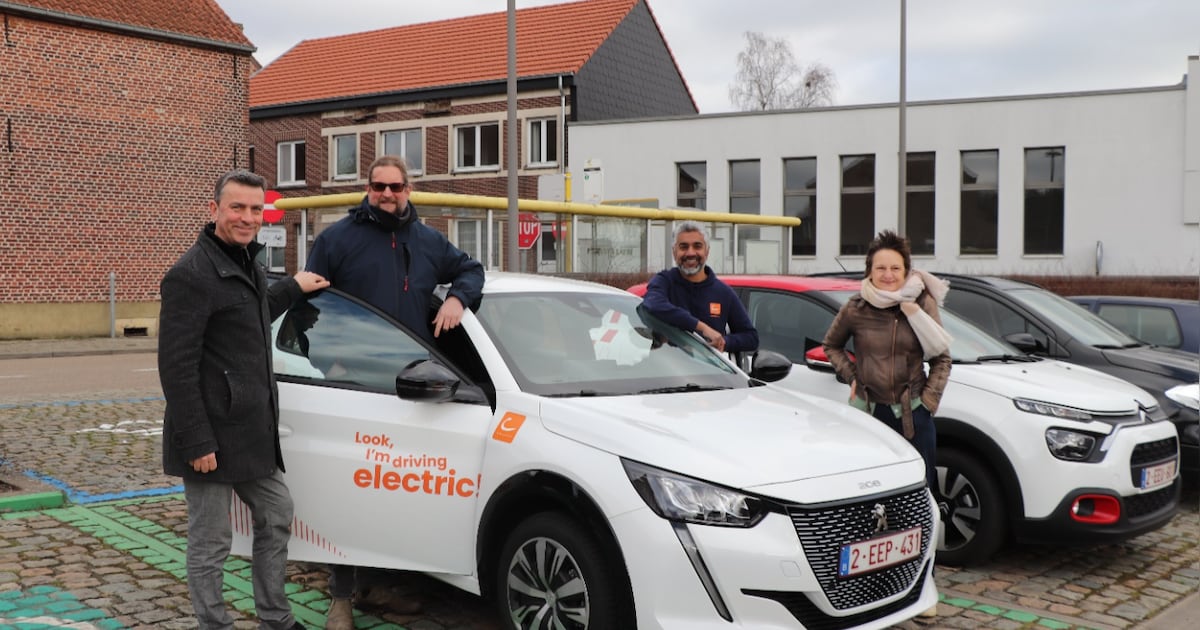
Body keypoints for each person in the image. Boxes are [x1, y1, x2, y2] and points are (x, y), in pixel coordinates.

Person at [305, 155, 484, 629]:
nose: (387, 194)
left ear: (409, 190)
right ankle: (341, 597)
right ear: (367, 188)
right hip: (353, 386)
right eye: (379, 186)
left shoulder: (426, 240)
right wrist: (330, 365)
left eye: (396, 187)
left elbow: (471, 269)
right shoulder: (336, 239)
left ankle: (380, 586)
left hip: (412, 387)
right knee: (348, 493)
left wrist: (456, 298)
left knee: (396, 491)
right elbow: (310, 309)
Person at [158, 169, 330, 630]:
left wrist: (292, 287)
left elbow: (252, 313)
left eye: (256, 209)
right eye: (237, 207)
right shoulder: (190, 275)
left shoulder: (246, 261)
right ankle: (214, 624)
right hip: (210, 437)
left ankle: (275, 618)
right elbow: (176, 367)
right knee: (211, 539)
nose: (247, 217)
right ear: (214, 209)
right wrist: (197, 440)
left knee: (277, 513)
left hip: (250, 431)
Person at [823, 230, 950, 618]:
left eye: (895, 268)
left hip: (913, 417)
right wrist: (852, 376)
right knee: (867, 503)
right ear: (870, 271)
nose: (888, 275)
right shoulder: (857, 307)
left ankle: (924, 584)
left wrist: (928, 402)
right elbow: (831, 345)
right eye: (881, 268)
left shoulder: (920, 304)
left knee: (919, 500)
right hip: (869, 416)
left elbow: (942, 357)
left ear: (906, 270)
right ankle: (869, 583)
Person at [641, 220, 758, 354]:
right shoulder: (664, 282)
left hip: (706, 367)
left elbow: (751, 338)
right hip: (665, 365)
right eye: (684, 247)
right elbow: (653, 304)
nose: (690, 253)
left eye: (697, 246)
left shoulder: (723, 292)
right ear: (674, 252)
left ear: (706, 251)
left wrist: (723, 342)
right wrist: (701, 327)